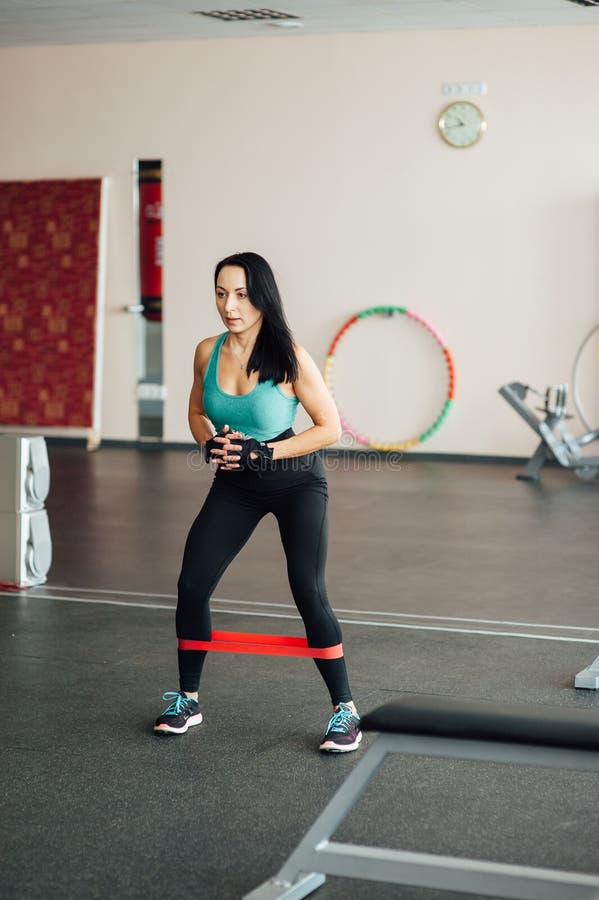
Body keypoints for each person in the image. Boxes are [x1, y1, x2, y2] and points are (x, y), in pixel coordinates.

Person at [153, 251, 361, 753]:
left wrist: (263, 450)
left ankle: (346, 711)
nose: (230, 305)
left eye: (242, 294)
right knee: (192, 582)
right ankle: (188, 699)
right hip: (236, 483)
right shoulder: (208, 351)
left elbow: (330, 428)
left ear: (262, 296)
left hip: (295, 481)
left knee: (307, 590)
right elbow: (197, 411)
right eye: (222, 293)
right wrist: (210, 445)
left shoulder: (289, 354)